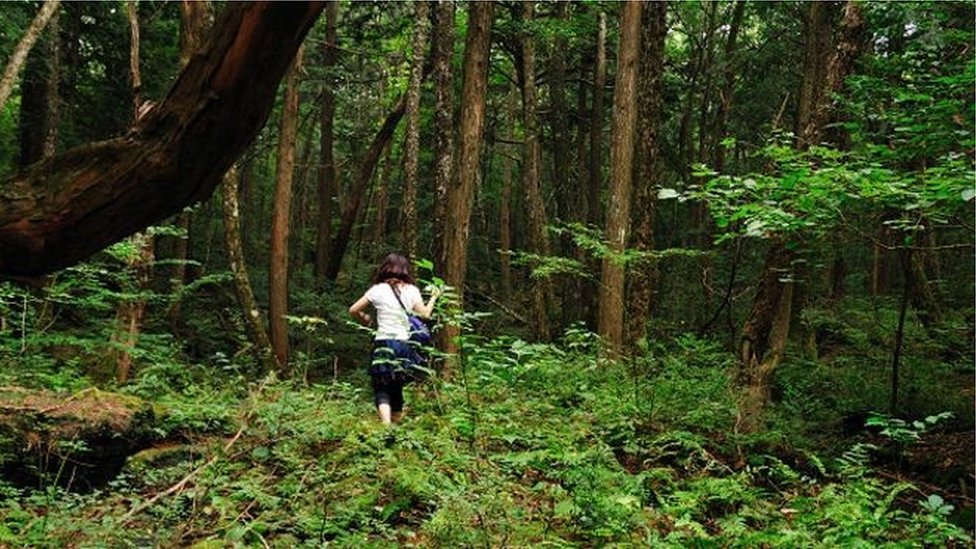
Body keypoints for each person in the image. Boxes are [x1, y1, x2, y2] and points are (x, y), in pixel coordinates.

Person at [349, 253, 440, 424]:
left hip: (384, 341)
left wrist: (365, 318)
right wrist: (434, 297)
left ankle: (386, 424)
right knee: (397, 383)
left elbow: (353, 309)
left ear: (385, 269)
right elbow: (426, 314)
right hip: (404, 343)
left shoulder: (377, 289)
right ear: (405, 270)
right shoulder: (412, 290)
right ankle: (395, 425)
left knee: (380, 384)